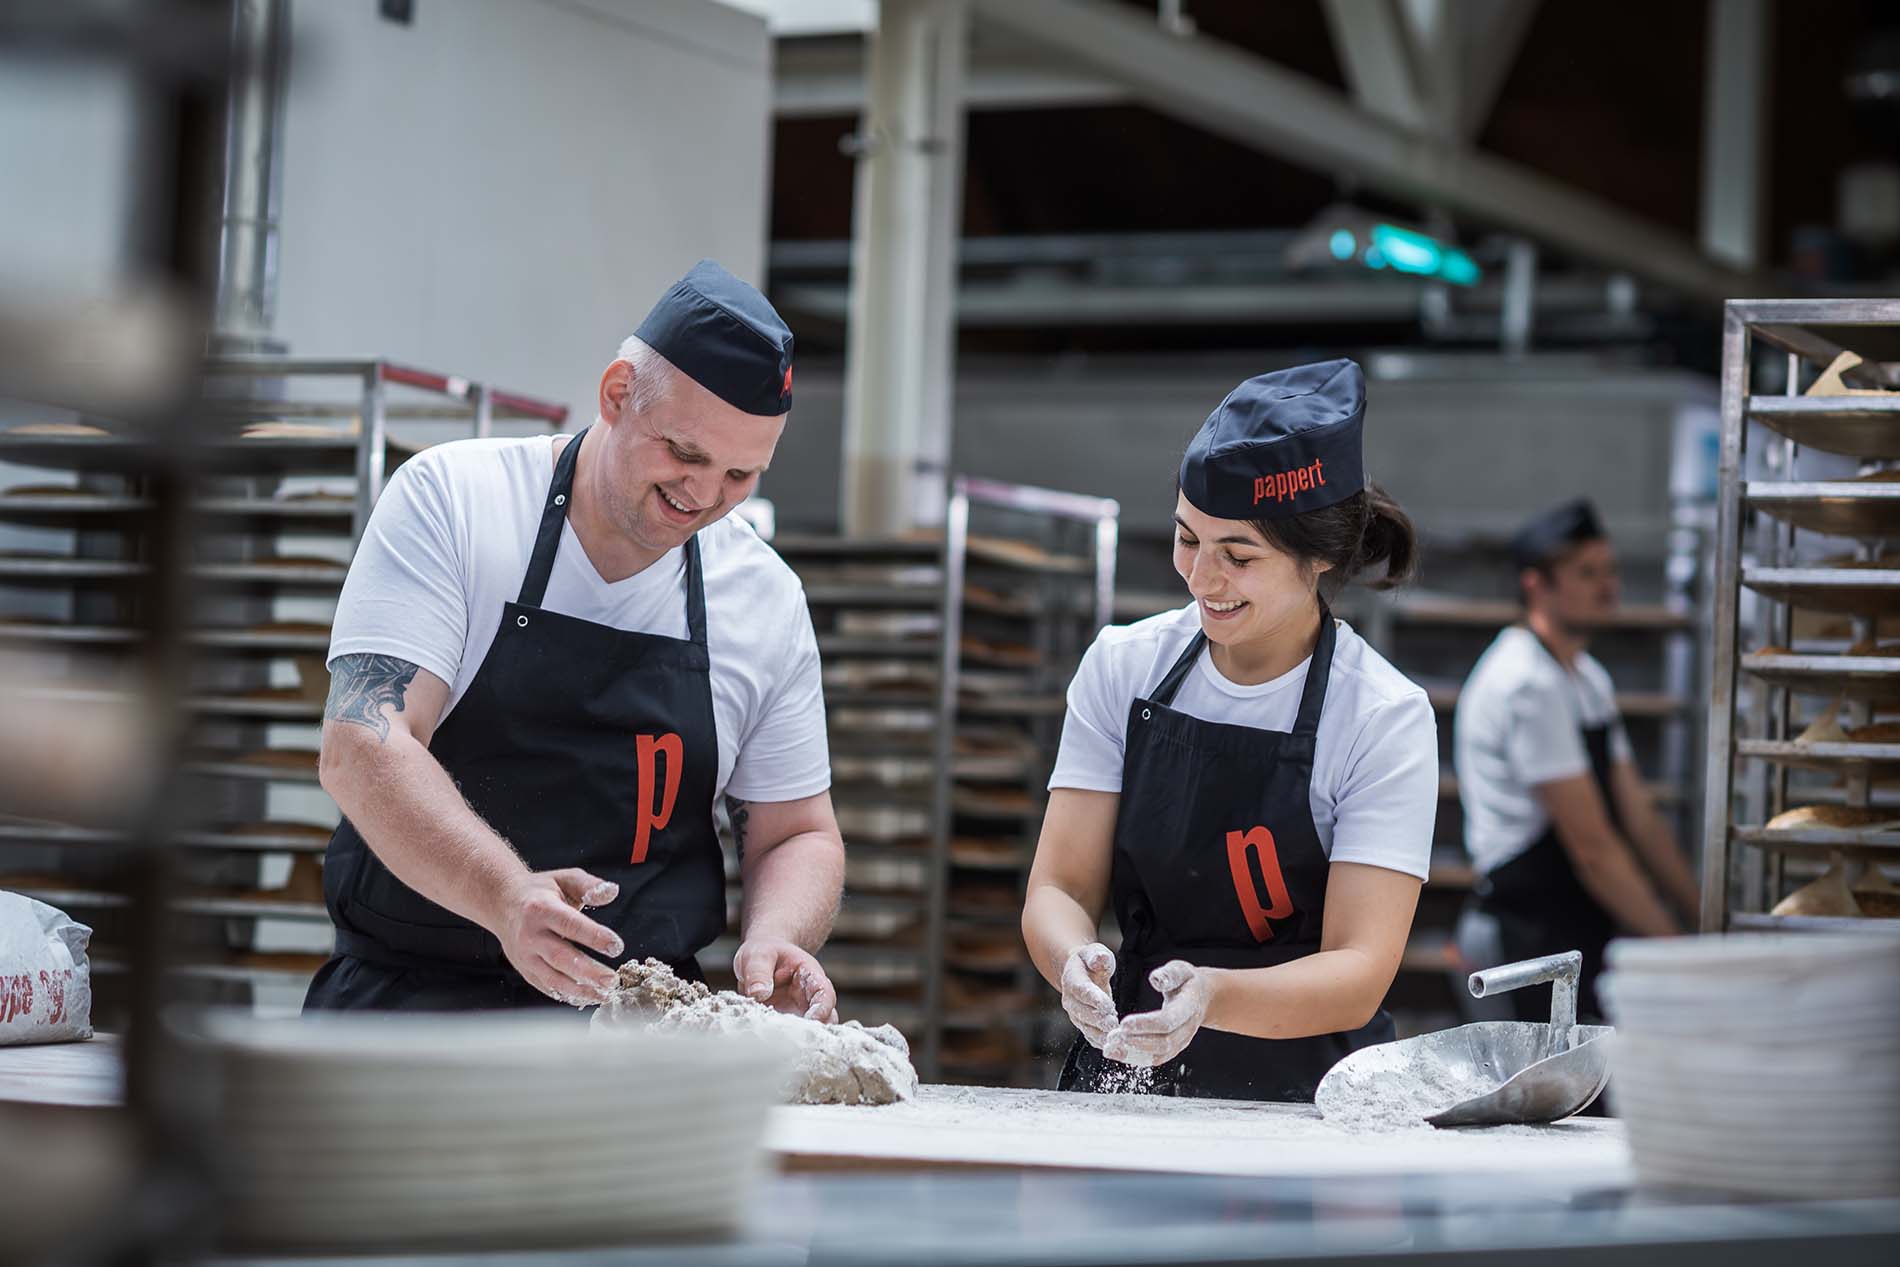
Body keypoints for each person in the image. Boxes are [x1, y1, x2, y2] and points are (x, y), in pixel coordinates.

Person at [303, 260, 844, 1017]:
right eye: (685, 453)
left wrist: (778, 935)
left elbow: (796, 833)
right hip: (407, 1015)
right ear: (617, 394)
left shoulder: (763, 596)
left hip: (634, 1034)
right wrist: (504, 894)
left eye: (740, 475)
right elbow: (362, 743)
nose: (703, 494)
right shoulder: (455, 501)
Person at [1021, 359, 1438, 1101]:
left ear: (1320, 557)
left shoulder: (1380, 716)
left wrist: (1211, 996)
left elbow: (1359, 969)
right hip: (1131, 1071)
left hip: (1312, 1102)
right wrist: (1071, 960)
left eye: (1238, 556)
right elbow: (1060, 885)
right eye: (1187, 540)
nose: (1201, 578)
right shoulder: (1124, 667)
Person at [1453, 499, 1697, 1022]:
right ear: (1535, 585)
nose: (1607, 586)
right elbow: (1593, 850)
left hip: (1569, 931)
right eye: (1587, 573)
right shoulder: (1526, 681)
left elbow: (1639, 817)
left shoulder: (1586, 677)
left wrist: (1702, 921)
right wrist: (1681, 953)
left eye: (1610, 570)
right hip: (1523, 937)